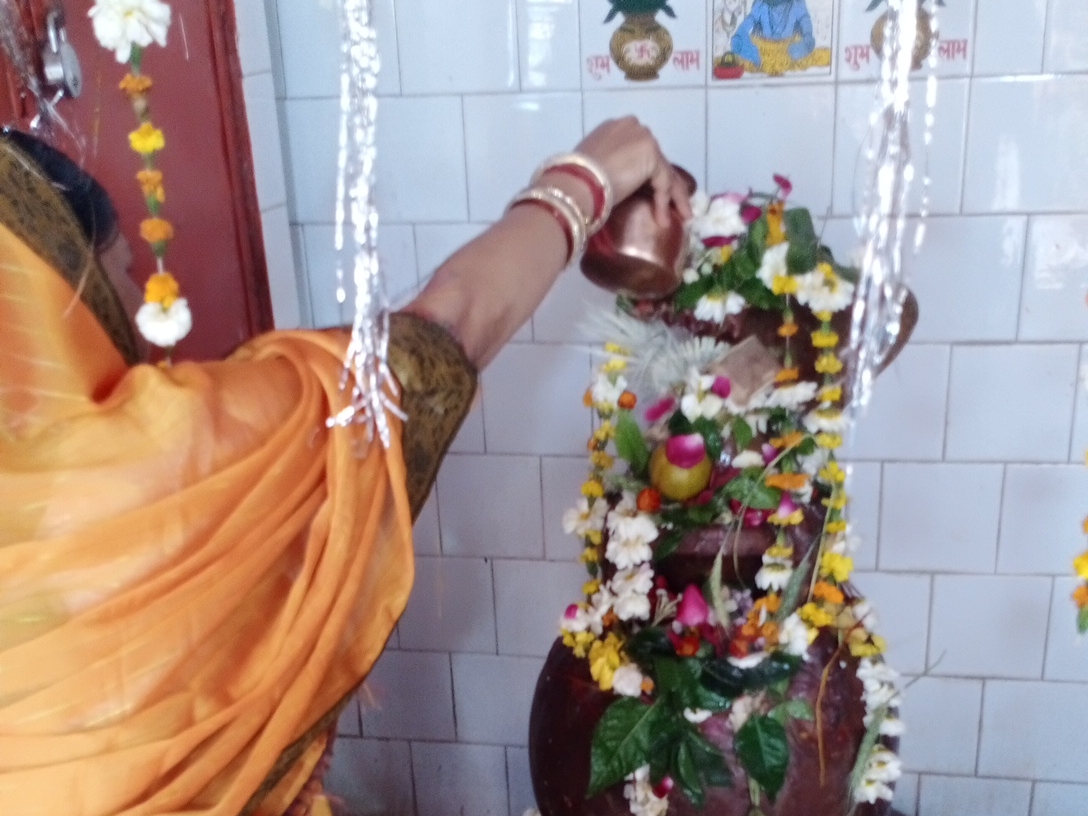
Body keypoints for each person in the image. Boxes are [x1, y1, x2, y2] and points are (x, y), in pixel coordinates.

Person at [0, 118, 691, 816]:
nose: (132, 291)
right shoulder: (145, 460)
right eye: (123, 268)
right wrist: (584, 181)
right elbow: (432, 347)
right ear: (65, 283)